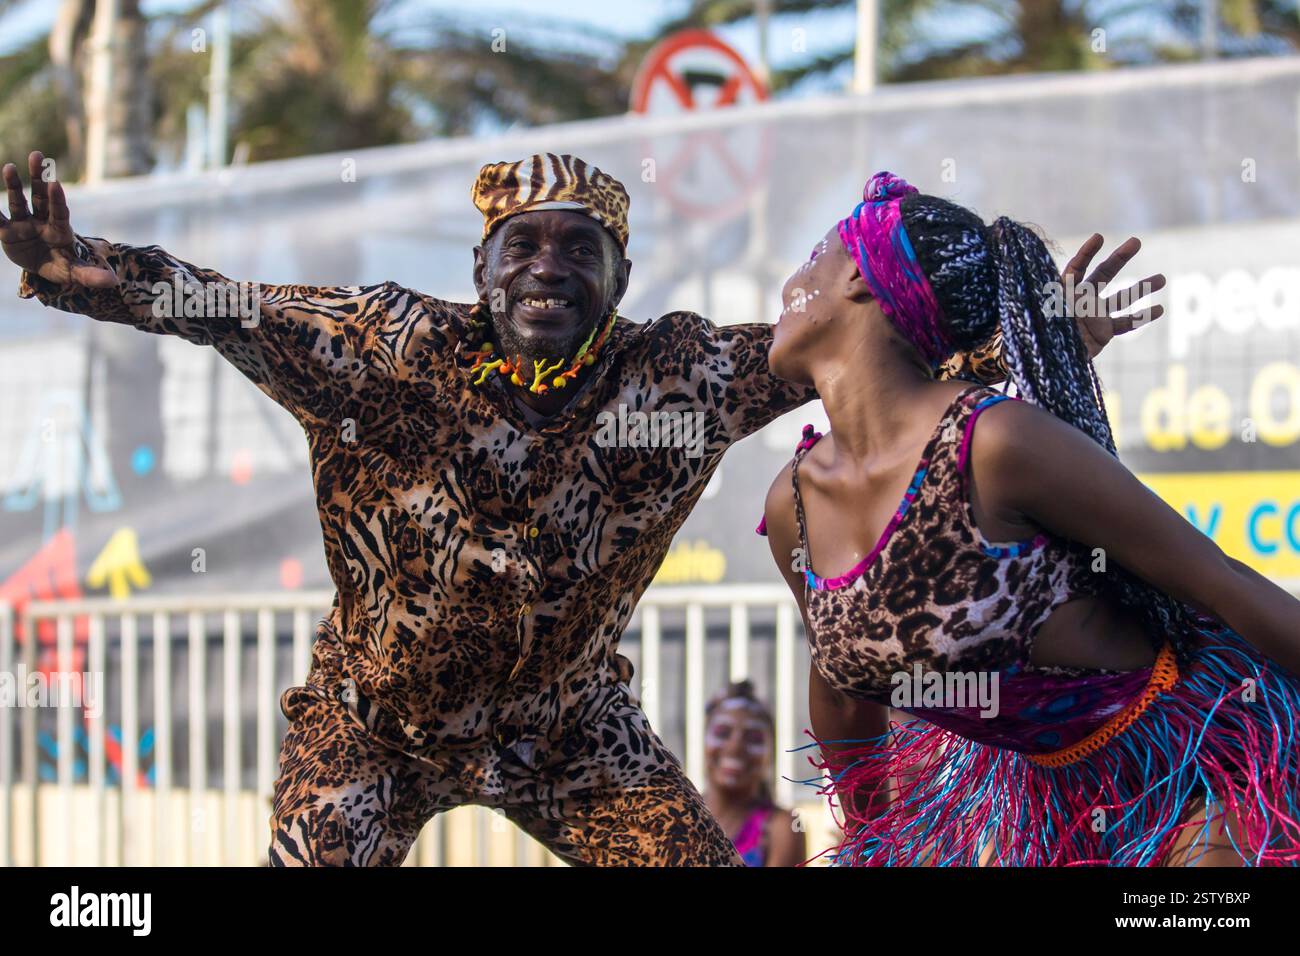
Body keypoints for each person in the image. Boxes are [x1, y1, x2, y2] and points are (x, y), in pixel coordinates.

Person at [2, 147, 1146, 866]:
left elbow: (867, 353)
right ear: (480, 268)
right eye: (522, 245)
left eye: (579, 247)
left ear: (621, 282)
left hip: (571, 732)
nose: (548, 265)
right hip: (371, 725)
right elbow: (216, 303)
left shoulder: (684, 376)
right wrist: (68, 264)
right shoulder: (382, 348)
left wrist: (1037, 339)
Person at [758, 171, 1300, 866]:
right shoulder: (792, 506)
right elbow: (841, 694)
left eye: (811, 259)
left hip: (1204, 756)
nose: (787, 287)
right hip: (1058, 807)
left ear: (862, 279)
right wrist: (874, 849)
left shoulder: (995, 442)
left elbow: (1219, 580)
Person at [703, 680, 805, 866]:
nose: (735, 747)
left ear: (770, 753)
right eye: (723, 733)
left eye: (753, 738)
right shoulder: (676, 816)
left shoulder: (784, 826)